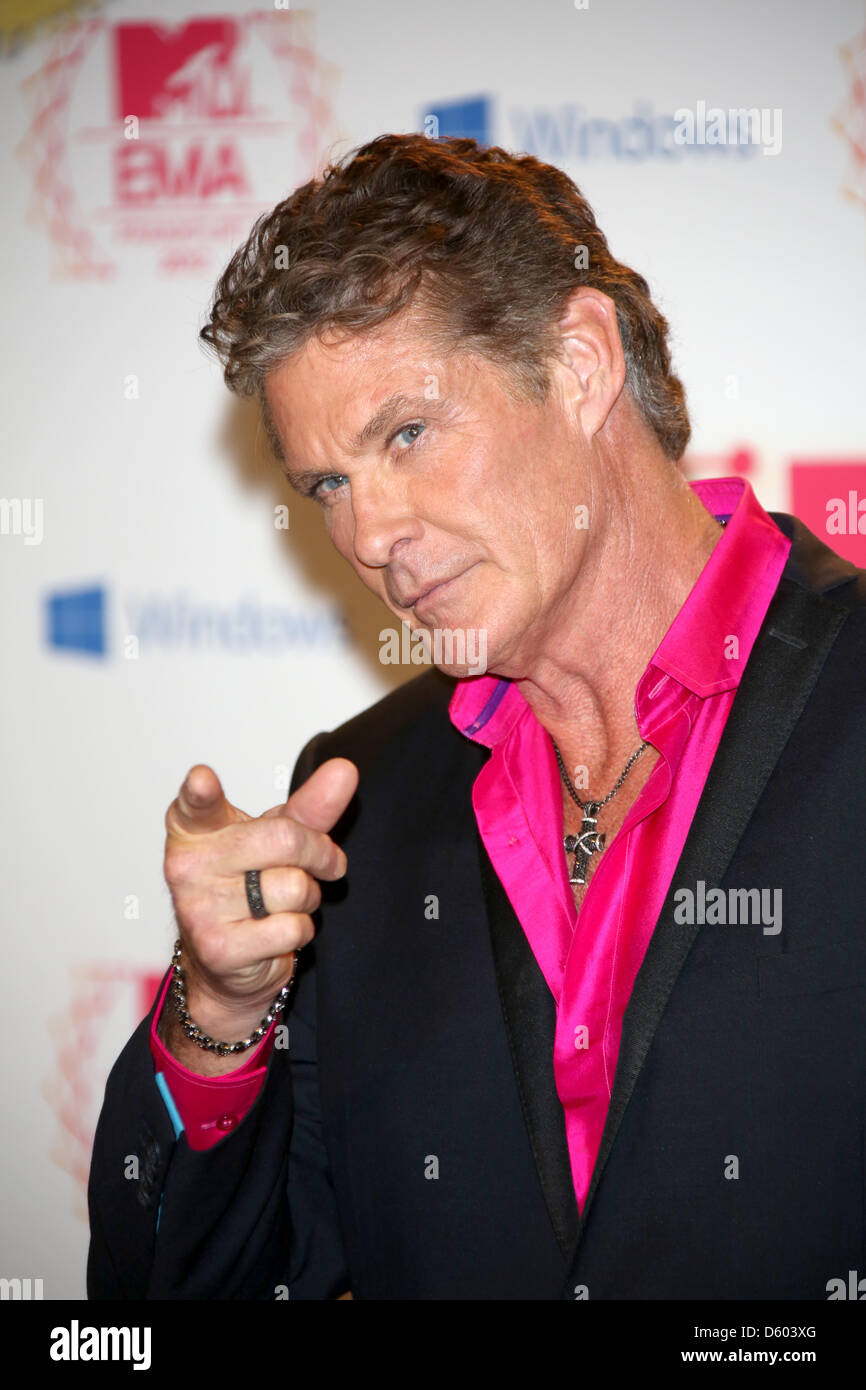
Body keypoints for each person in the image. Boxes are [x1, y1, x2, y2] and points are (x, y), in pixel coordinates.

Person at [87, 133, 866, 1300]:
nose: (366, 535)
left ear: (580, 361)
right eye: (328, 485)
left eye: (403, 434)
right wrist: (221, 1012)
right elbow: (169, 1302)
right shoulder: (354, 797)